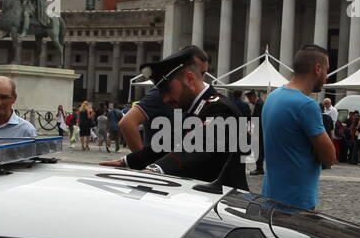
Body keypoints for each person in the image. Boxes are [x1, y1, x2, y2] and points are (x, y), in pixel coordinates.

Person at [104, 47, 251, 191]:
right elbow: (168, 144)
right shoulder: (196, 108)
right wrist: (128, 161)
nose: (165, 99)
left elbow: (198, 145)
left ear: (189, 79)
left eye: (168, 90)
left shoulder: (221, 108)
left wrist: (156, 170)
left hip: (223, 203)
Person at [253, 45, 334, 209]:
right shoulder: (306, 105)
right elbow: (330, 157)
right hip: (296, 200)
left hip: (271, 195)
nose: (327, 77)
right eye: (327, 70)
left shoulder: (273, 97)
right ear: (317, 69)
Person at [120, 46, 211, 155]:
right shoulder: (161, 93)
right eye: (198, 73)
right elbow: (127, 123)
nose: (200, 80)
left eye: (203, 74)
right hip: (158, 166)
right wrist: (141, 161)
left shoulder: (196, 99)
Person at [246, 90, 265, 176]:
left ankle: (259, 168)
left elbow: (256, 119)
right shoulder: (259, 103)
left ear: (253, 96)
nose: (249, 100)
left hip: (258, 132)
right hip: (259, 131)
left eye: (249, 98)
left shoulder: (259, 104)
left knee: (258, 149)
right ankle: (259, 168)